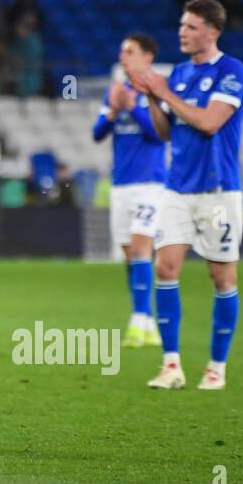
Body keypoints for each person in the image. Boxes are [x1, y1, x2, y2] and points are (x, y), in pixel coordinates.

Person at [127, 0, 243, 391]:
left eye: (192, 26)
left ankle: (216, 367)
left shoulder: (232, 71)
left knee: (221, 276)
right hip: (177, 189)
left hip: (218, 192)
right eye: (181, 25)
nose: (182, 32)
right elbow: (165, 132)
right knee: (166, 268)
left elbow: (210, 123)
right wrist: (151, 95)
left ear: (212, 32)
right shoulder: (178, 73)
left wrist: (166, 92)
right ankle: (171, 364)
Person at [92, 34, 166, 348]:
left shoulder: (157, 91)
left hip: (149, 184)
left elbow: (159, 133)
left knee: (140, 249)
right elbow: (97, 134)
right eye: (122, 51)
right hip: (121, 186)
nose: (123, 56)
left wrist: (133, 107)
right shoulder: (115, 92)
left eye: (130, 51)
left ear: (147, 57)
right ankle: (148, 321)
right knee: (129, 256)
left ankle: (137, 320)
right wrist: (112, 111)